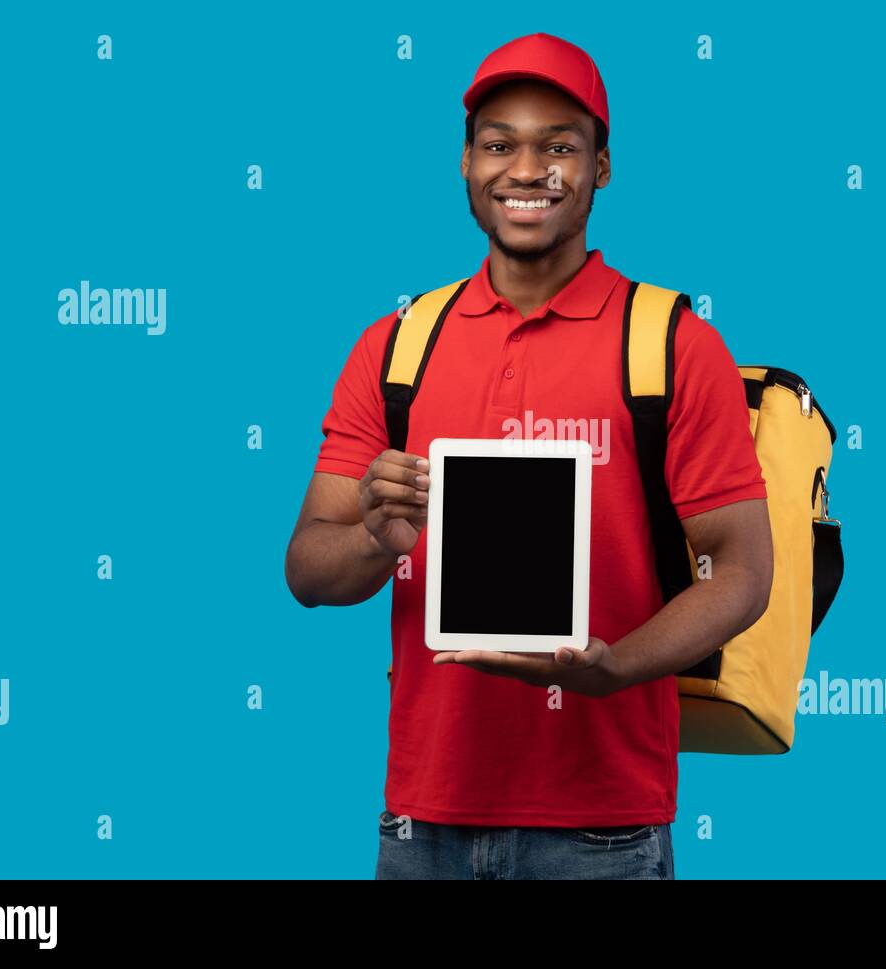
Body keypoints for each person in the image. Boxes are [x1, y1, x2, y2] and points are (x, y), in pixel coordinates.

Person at [284, 32, 772, 880]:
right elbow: (305, 571)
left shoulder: (670, 345)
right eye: (500, 143)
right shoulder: (398, 346)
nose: (527, 168)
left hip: (604, 827)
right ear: (467, 164)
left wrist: (615, 668)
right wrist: (375, 535)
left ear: (601, 166)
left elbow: (742, 570)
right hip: (422, 817)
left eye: (559, 145)